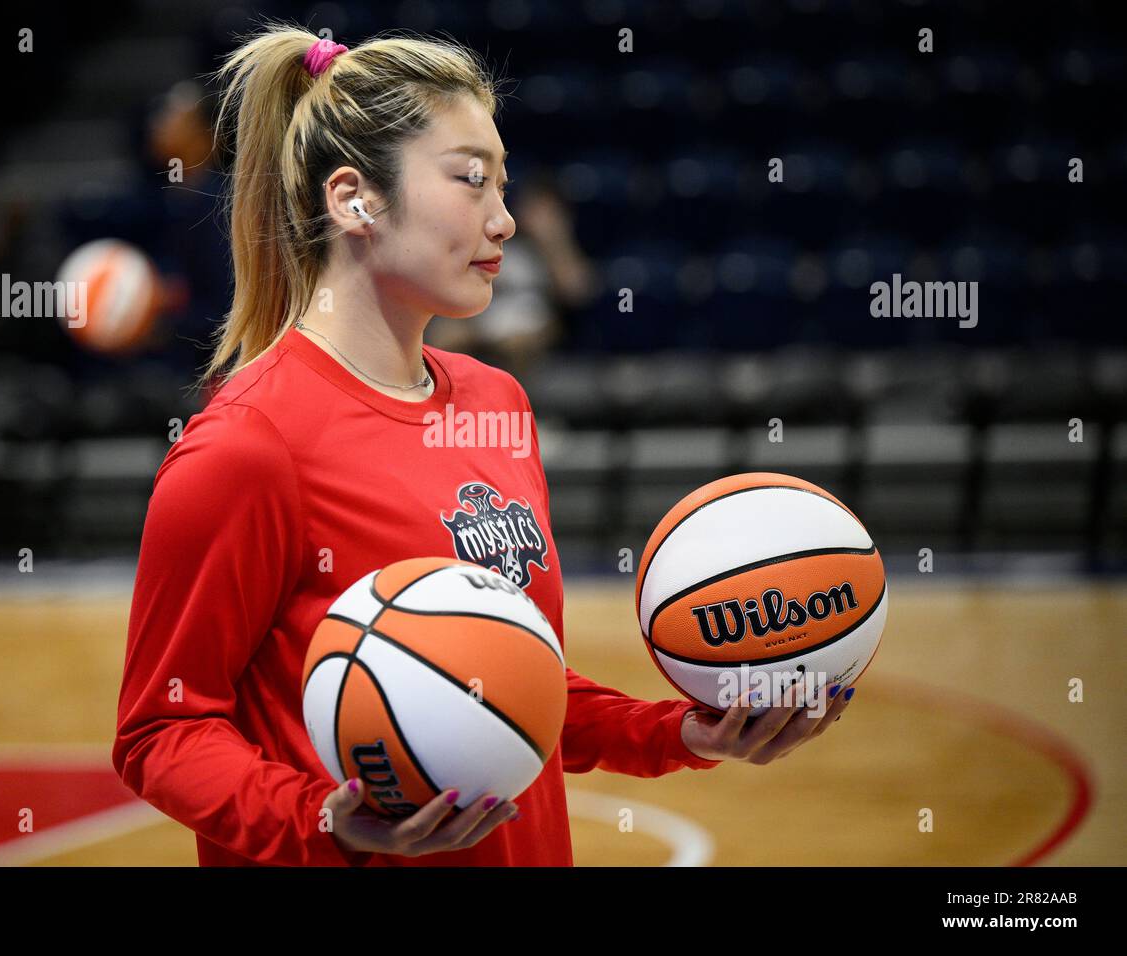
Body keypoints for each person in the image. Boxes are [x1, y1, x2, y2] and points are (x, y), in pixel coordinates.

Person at [112, 23, 855, 867]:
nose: (504, 220)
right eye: (472, 181)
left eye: (504, 185)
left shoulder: (495, 402)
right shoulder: (247, 446)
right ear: (355, 198)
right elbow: (160, 731)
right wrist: (322, 819)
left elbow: (518, 690)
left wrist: (685, 731)